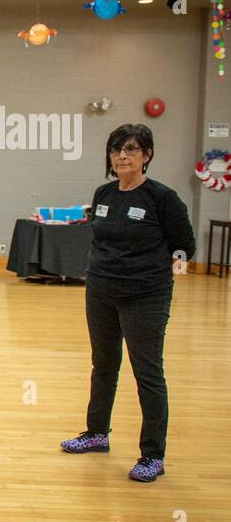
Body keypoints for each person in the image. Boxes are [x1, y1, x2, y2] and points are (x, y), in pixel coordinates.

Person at [60, 123, 195, 482]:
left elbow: (184, 245)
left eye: (132, 149)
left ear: (146, 156)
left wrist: (167, 274)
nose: (122, 155)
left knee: (147, 373)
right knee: (103, 365)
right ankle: (97, 434)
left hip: (145, 297)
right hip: (101, 291)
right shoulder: (104, 193)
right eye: (117, 149)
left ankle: (153, 455)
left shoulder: (162, 198)